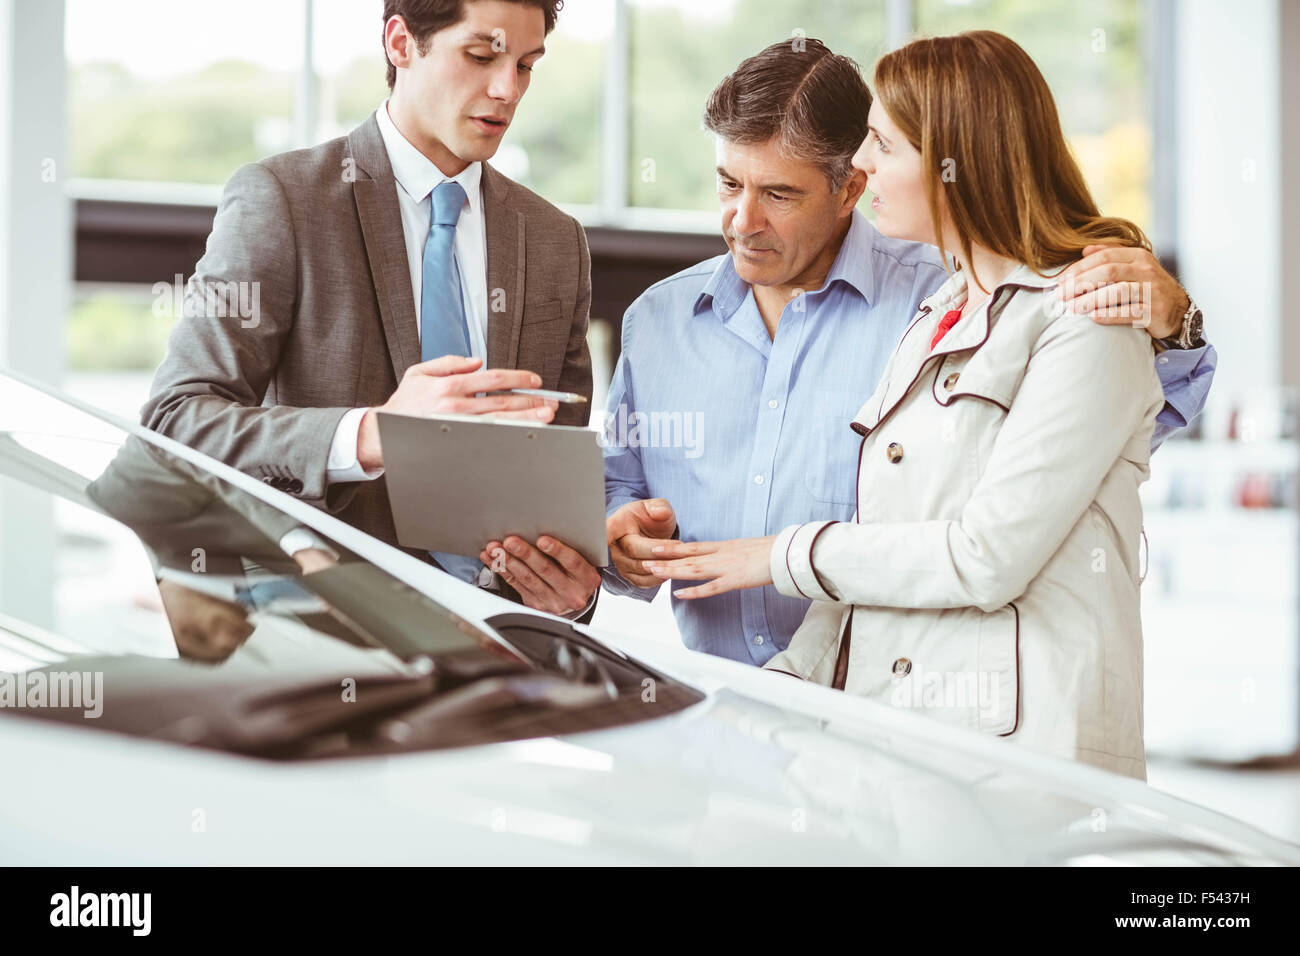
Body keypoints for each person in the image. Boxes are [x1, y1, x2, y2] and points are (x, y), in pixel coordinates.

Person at [493, 38, 1215, 658]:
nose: (742, 219)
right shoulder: (660, 320)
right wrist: (621, 538)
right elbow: (617, 486)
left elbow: (1097, 441)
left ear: (851, 189)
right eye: (728, 183)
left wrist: (1172, 321)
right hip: (720, 704)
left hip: (892, 704)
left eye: (779, 195)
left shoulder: (946, 301)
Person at [644, 30, 1176, 779]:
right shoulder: (938, 316)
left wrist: (778, 555)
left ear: (959, 161)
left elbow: (985, 558)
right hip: (906, 750)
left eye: (883, 145)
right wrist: (765, 698)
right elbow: (880, 548)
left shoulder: (1083, 316)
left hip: (1030, 761)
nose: (860, 164)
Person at [141, 0, 596, 606]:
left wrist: (572, 595)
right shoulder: (285, 201)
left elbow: (556, 497)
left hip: (504, 641)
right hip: (322, 630)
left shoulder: (556, 240)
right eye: (480, 56)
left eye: (526, 65)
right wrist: (373, 433)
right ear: (400, 43)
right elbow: (174, 423)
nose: (506, 90)